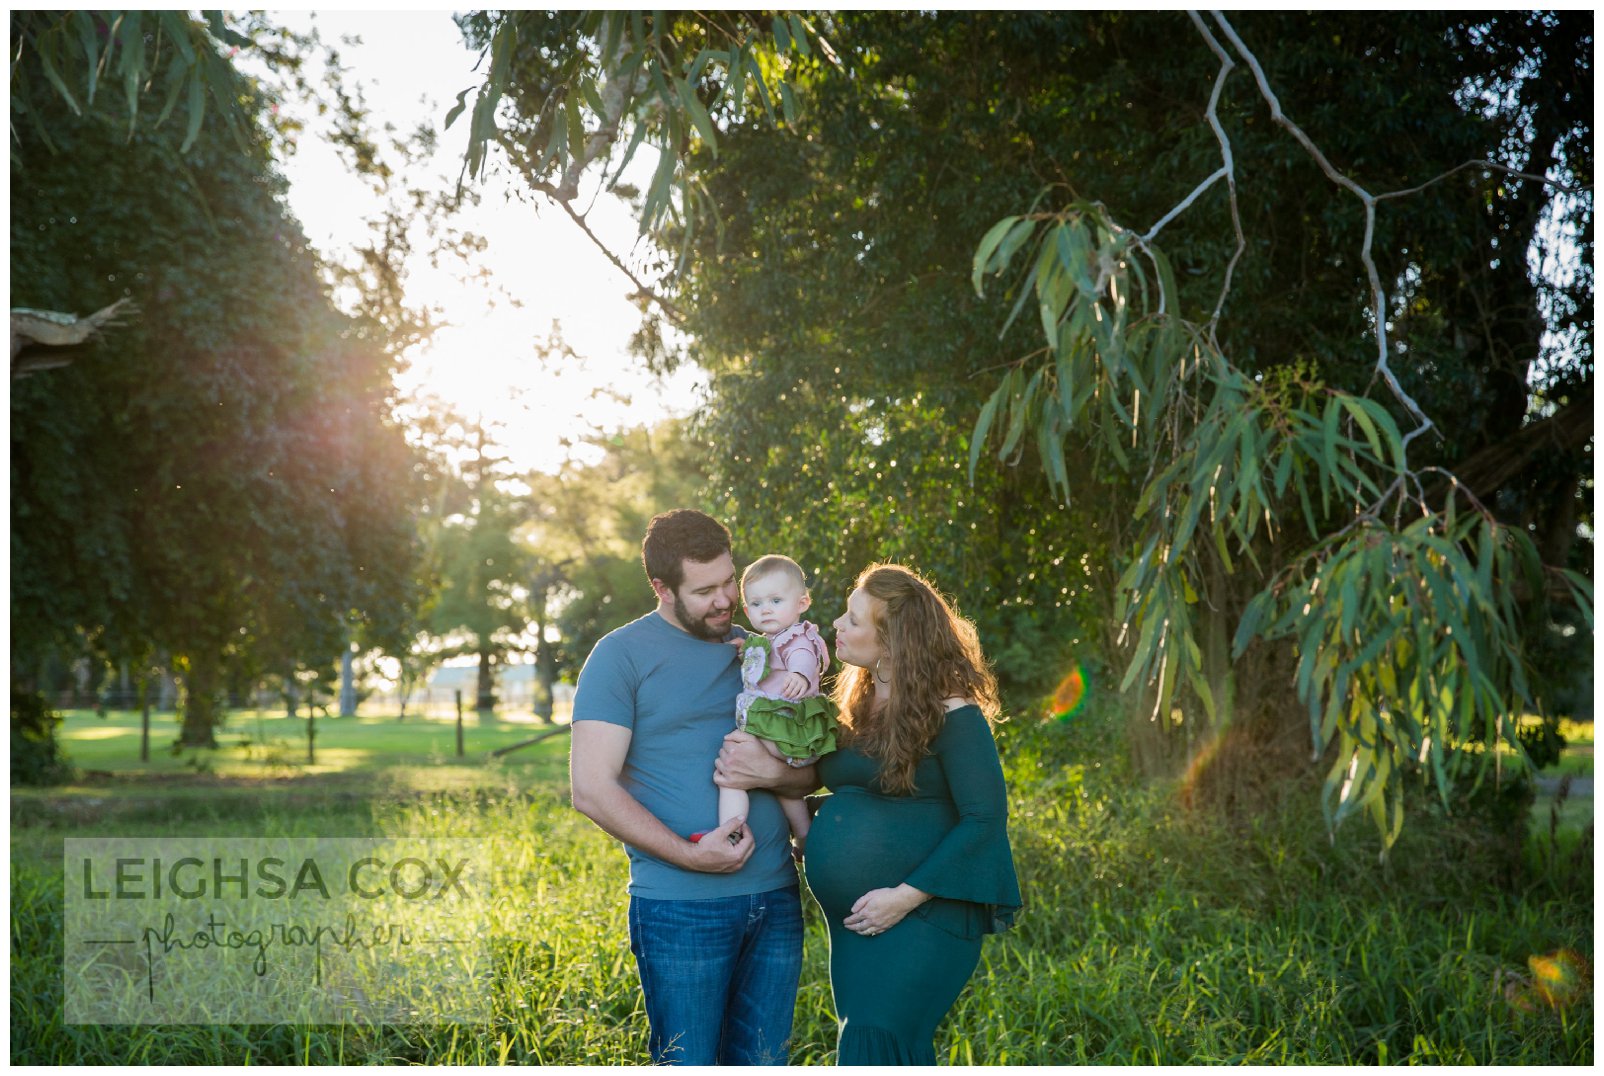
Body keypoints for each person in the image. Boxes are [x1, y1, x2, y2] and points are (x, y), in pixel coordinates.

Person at [569, 509, 817, 1065]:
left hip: (775, 900)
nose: (727, 600)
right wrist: (690, 855)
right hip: (681, 909)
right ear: (662, 588)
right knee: (689, 1062)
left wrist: (774, 774)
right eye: (705, 590)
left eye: (730, 579)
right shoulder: (620, 656)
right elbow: (590, 789)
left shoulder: (763, 654)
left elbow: (811, 764)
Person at [797, 563, 1022, 1065]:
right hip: (858, 922)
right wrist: (824, 821)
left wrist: (903, 897)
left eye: (854, 619)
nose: (837, 624)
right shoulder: (860, 698)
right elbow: (882, 792)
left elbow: (984, 819)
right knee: (870, 1044)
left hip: (921, 913)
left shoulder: (953, 712)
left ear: (893, 643)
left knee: (878, 1039)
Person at [705, 554, 838, 852]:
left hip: (786, 727)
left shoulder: (796, 637)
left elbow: (803, 657)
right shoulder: (768, 639)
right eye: (755, 603)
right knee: (786, 791)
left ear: (802, 603)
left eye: (776, 601)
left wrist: (801, 676)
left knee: (732, 773)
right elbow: (765, 660)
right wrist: (746, 649)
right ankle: (803, 836)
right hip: (782, 730)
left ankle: (732, 830)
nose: (765, 610)